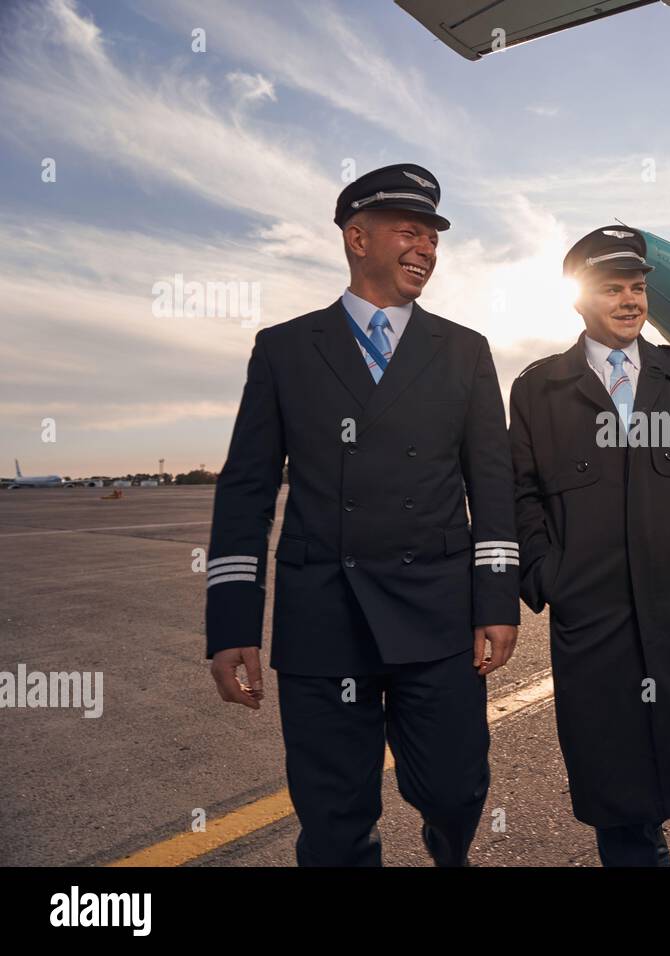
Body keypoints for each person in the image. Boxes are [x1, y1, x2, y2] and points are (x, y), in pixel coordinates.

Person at [204, 163, 519, 866]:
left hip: (436, 614)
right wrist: (231, 622)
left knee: (454, 788)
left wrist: (496, 601)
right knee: (333, 818)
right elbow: (247, 491)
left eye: (433, 238)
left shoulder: (465, 351)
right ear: (357, 237)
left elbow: (492, 485)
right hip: (324, 618)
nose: (426, 249)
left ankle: (449, 847)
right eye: (411, 232)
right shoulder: (285, 349)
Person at [509, 225, 670, 866]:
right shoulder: (540, 389)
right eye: (612, 289)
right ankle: (640, 848)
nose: (629, 301)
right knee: (612, 778)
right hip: (592, 618)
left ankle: (649, 833)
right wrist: (544, 573)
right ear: (579, 299)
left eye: (637, 288)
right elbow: (523, 492)